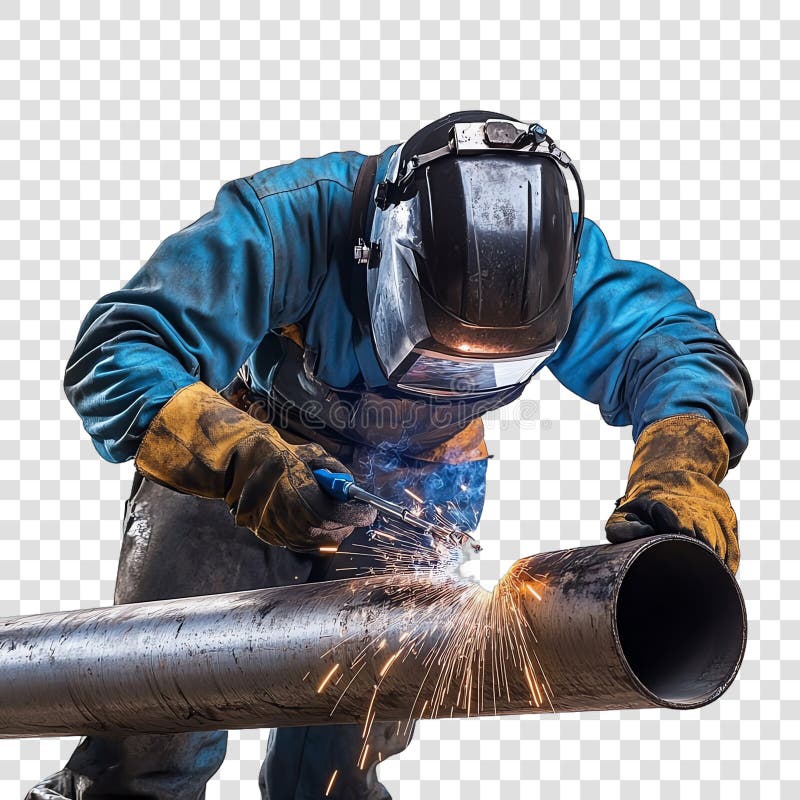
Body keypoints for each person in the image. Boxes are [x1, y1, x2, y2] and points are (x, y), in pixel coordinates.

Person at [28, 110, 751, 800]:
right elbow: (118, 350)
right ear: (383, 254)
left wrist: (682, 464)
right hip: (246, 462)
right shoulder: (295, 221)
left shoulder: (562, 257)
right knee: (155, 708)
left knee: (344, 758)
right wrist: (244, 459)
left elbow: (673, 346)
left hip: (423, 494)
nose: (449, 387)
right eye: (440, 358)